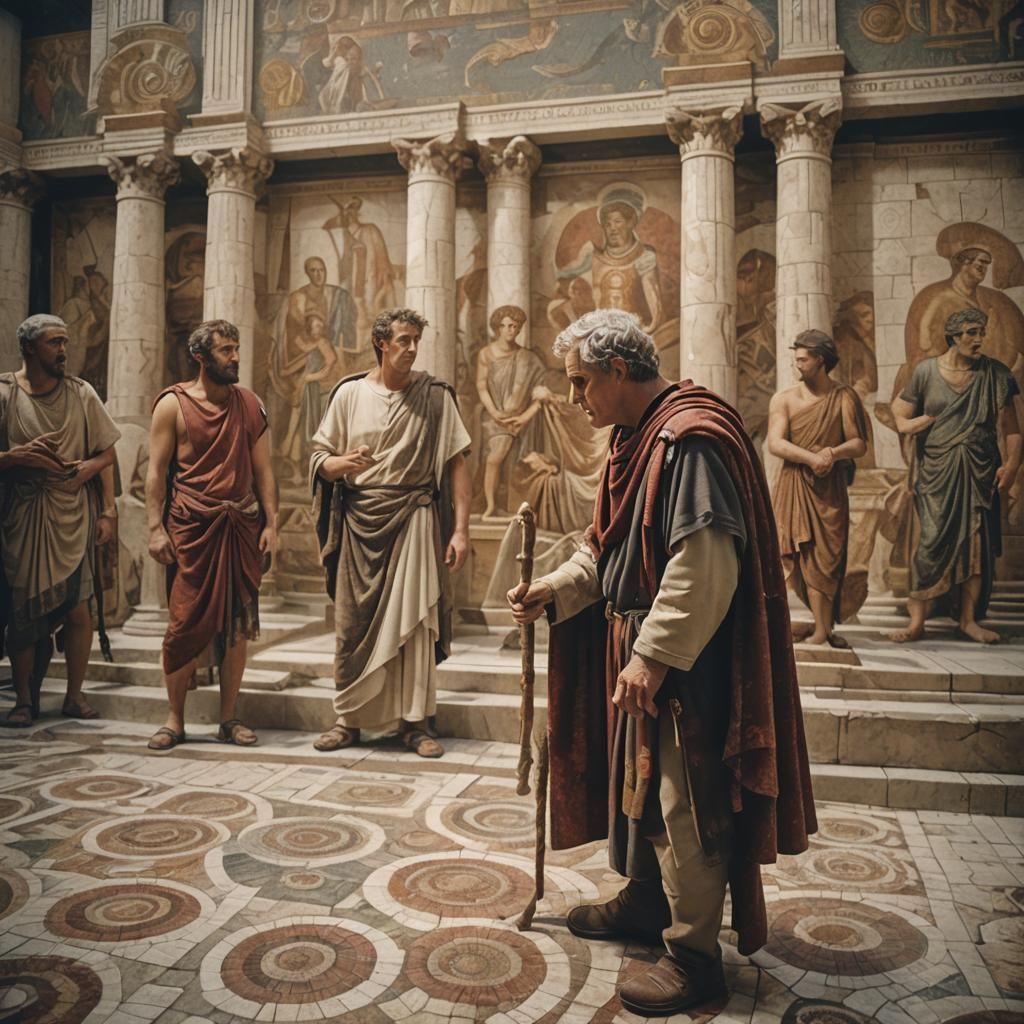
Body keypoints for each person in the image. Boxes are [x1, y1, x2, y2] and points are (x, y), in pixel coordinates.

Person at [507, 310, 815, 1017]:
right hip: (644, 650)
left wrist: (651, 658)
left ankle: (693, 958)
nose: (575, 395)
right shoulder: (634, 440)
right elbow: (606, 546)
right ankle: (646, 903)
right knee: (638, 789)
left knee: (685, 807)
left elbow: (703, 566)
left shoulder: (688, 441)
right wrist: (555, 588)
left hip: (686, 665)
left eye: (582, 381)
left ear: (619, 370)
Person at [310, 308, 471, 758]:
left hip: (416, 516)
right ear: (382, 343)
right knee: (351, 625)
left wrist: (459, 530)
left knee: (415, 622)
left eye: (416, 339)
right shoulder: (348, 394)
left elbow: (457, 464)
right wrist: (342, 465)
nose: (412, 347)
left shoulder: (435, 396)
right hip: (360, 521)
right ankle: (349, 721)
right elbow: (321, 457)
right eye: (403, 339)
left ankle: (416, 723)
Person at [145, 319, 278, 749]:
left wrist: (272, 523)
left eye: (236, 348)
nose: (235, 357)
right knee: (182, 624)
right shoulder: (172, 404)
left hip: (239, 524)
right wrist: (154, 528)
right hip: (190, 528)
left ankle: (229, 718)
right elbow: (156, 473)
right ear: (201, 357)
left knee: (237, 623)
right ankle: (174, 720)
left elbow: (263, 472)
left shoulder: (250, 404)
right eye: (225, 350)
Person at [0, 314, 119, 726]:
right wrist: (13, 458)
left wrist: (106, 505)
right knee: (24, 612)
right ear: (29, 347)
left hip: (72, 515)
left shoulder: (82, 393)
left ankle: (73, 695)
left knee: (77, 609)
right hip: (23, 515)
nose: (64, 350)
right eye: (54, 342)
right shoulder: (4, 392)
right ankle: (23, 702)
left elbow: (107, 452)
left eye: (66, 341)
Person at [889, 308, 1020, 644]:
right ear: (953, 336)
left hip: (979, 469)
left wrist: (1012, 465)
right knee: (930, 544)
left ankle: (968, 620)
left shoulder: (996, 373)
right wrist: (921, 423)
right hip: (937, 472)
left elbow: (1012, 430)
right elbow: (900, 415)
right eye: (971, 333)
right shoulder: (926, 372)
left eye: (981, 332)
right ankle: (917, 622)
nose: (979, 339)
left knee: (974, 546)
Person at [767, 330, 869, 647]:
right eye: (796, 359)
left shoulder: (844, 397)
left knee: (825, 558)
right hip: (794, 485)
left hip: (829, 490)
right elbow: (775, 443)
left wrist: (832, 453)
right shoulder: (783, 398)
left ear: (820, 360)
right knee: (790, 555)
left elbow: (858, 443)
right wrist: (812, 458)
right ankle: (783, 626)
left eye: (803, 359)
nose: (797, 365)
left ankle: (823, 628)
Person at [475, 305, 552, 519]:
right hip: (494, 418)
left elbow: (541, 397)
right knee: (494, 458)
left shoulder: (529, 358)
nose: (509, 330)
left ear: (519, 330)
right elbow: (481, 386)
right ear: (497, 328)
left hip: (520, 419)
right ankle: (491, 506)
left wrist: (523, 418)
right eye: (505, 326)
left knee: (515, 463)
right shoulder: (486, 354)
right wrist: (494, 412)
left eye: (514, 326)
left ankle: (509, 507)